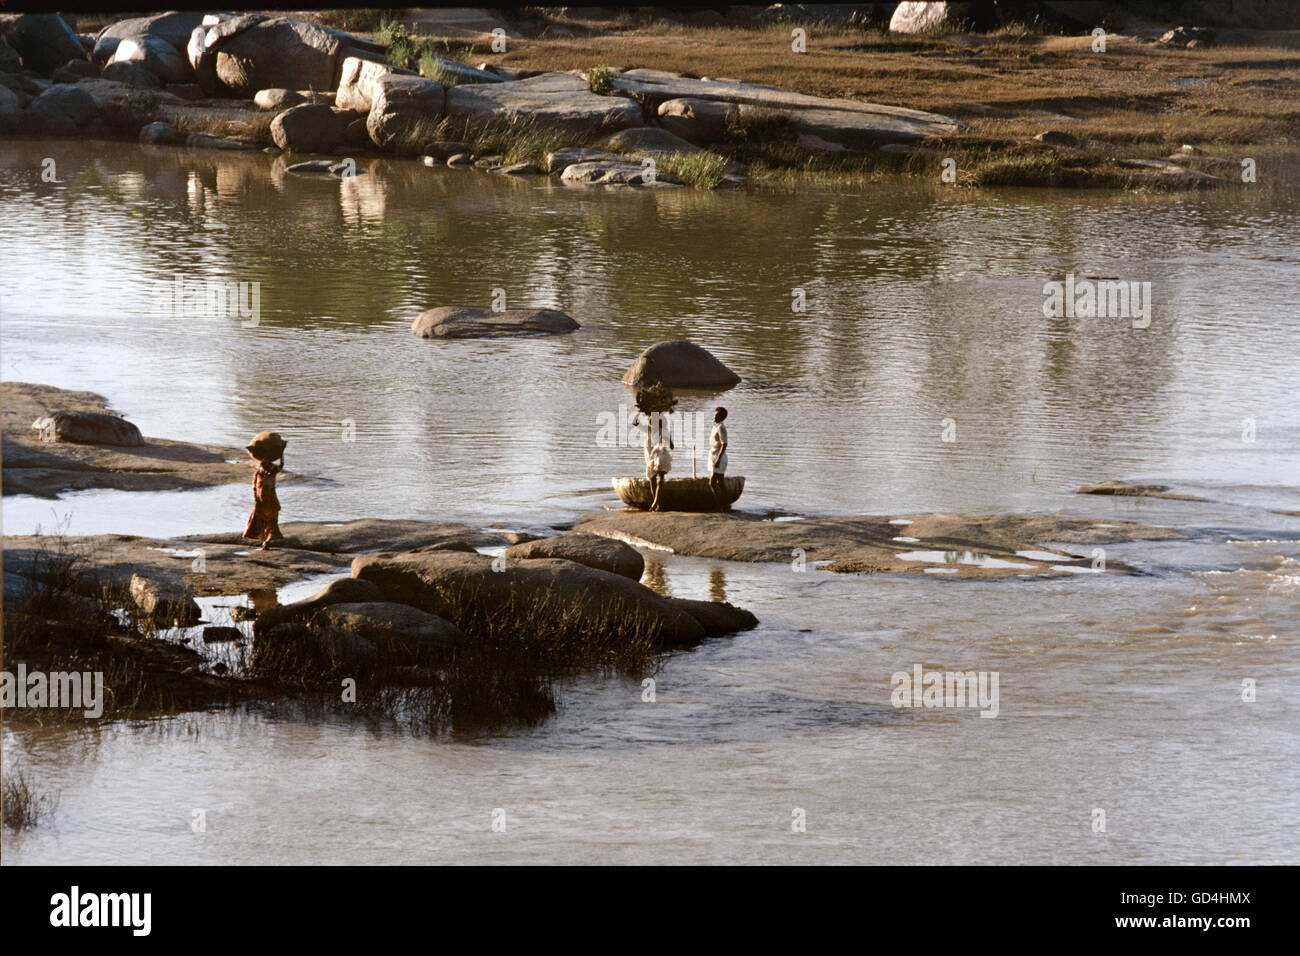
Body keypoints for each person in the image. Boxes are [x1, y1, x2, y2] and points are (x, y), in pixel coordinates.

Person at [243, 436, 285, 550]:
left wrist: (282, 454)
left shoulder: (267, 473)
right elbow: (254, 488)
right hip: (267, 499)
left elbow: (254, 489)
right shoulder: (267, 473)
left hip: (265, 499)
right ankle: (265, 542)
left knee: (265, 520)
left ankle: (265, 542)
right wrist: (281, 455)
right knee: (267, 520)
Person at [708, 406, 729, 511]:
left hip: (719, 456)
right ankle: (725, 503)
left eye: (716, 415)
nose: (714, 417)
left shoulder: (721, 427)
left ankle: (719, 505)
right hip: (714, 455)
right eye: (714, 414)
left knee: (712, 482)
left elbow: (724, 444)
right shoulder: (715, 426)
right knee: (720, 482)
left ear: (722, 417)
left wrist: (718, 460)